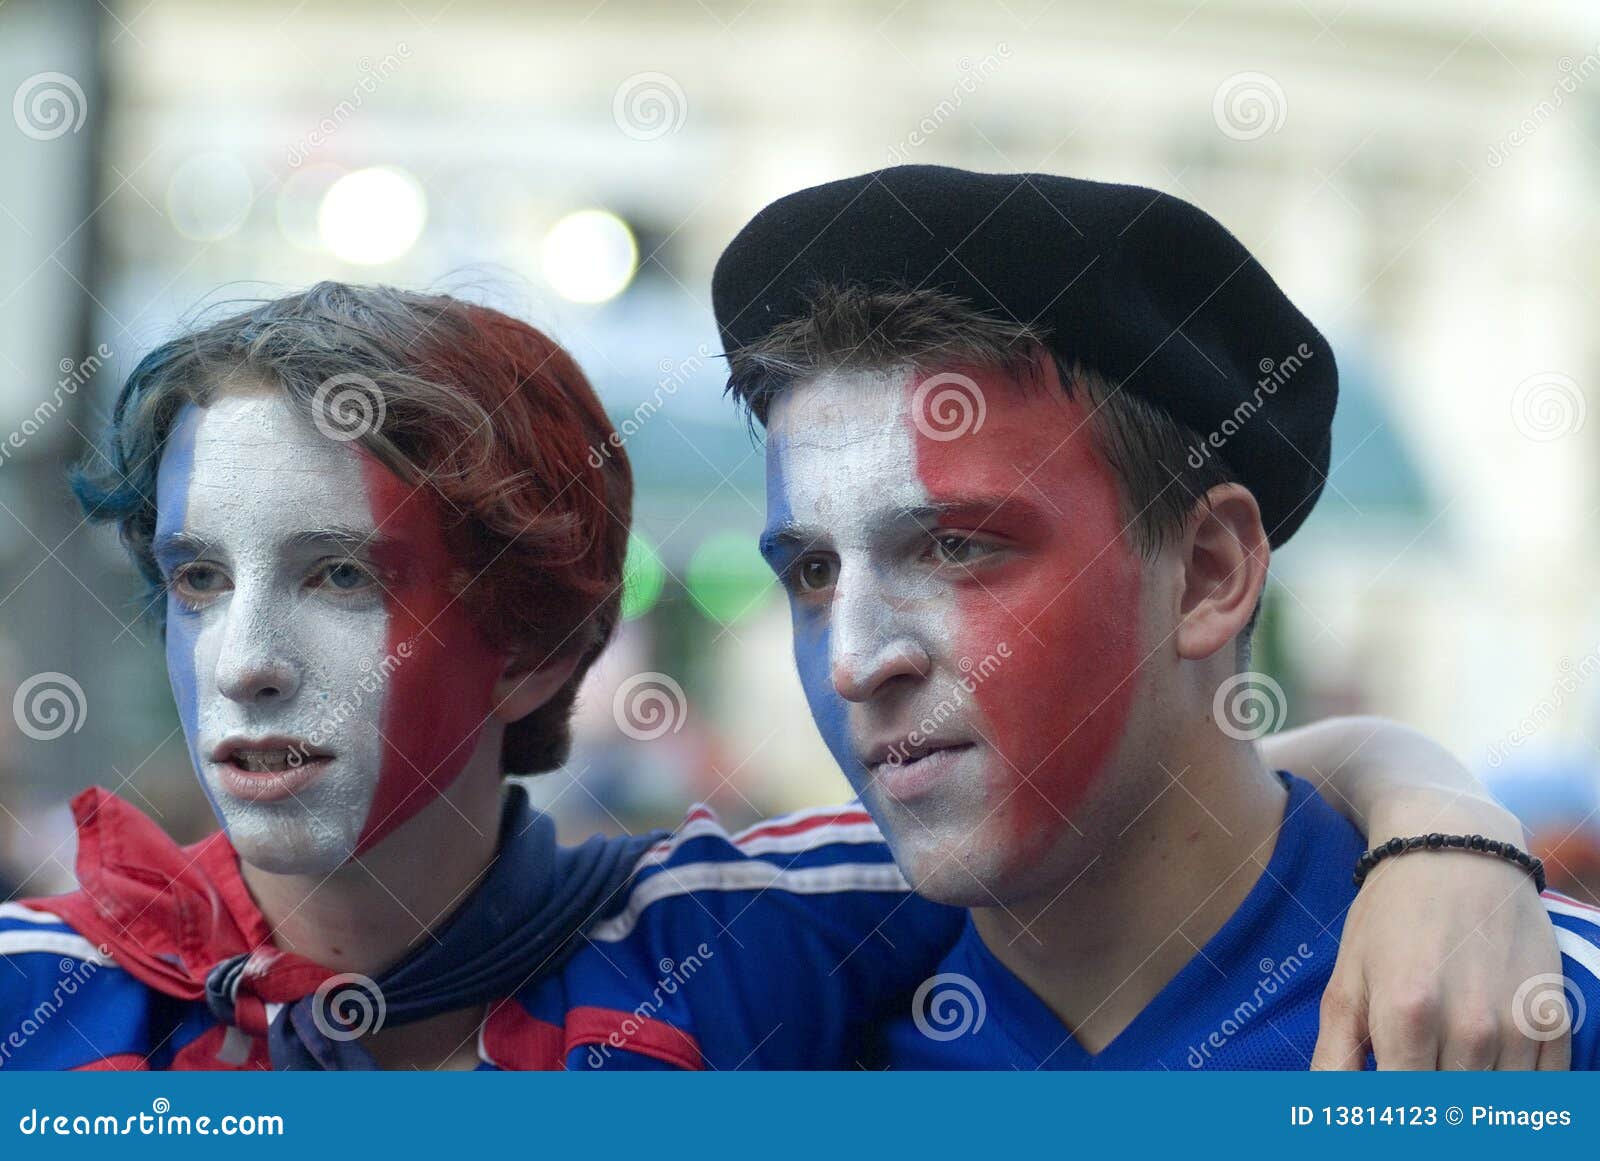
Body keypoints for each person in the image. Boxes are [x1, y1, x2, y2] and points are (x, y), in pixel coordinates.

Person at [0, 282, 1567, 1071]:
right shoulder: (34, 990)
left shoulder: (755, 938)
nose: (249, 661)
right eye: (196, 578)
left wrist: (1436, 824)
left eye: (342, 575)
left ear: (545, 635)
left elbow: (1168, 822)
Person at [702, 164, 1600, 1069]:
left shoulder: (1531, 1026)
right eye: (814, 570)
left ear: (1208, 571)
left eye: (957, 547)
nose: (854, 663)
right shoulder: (749, 1000)